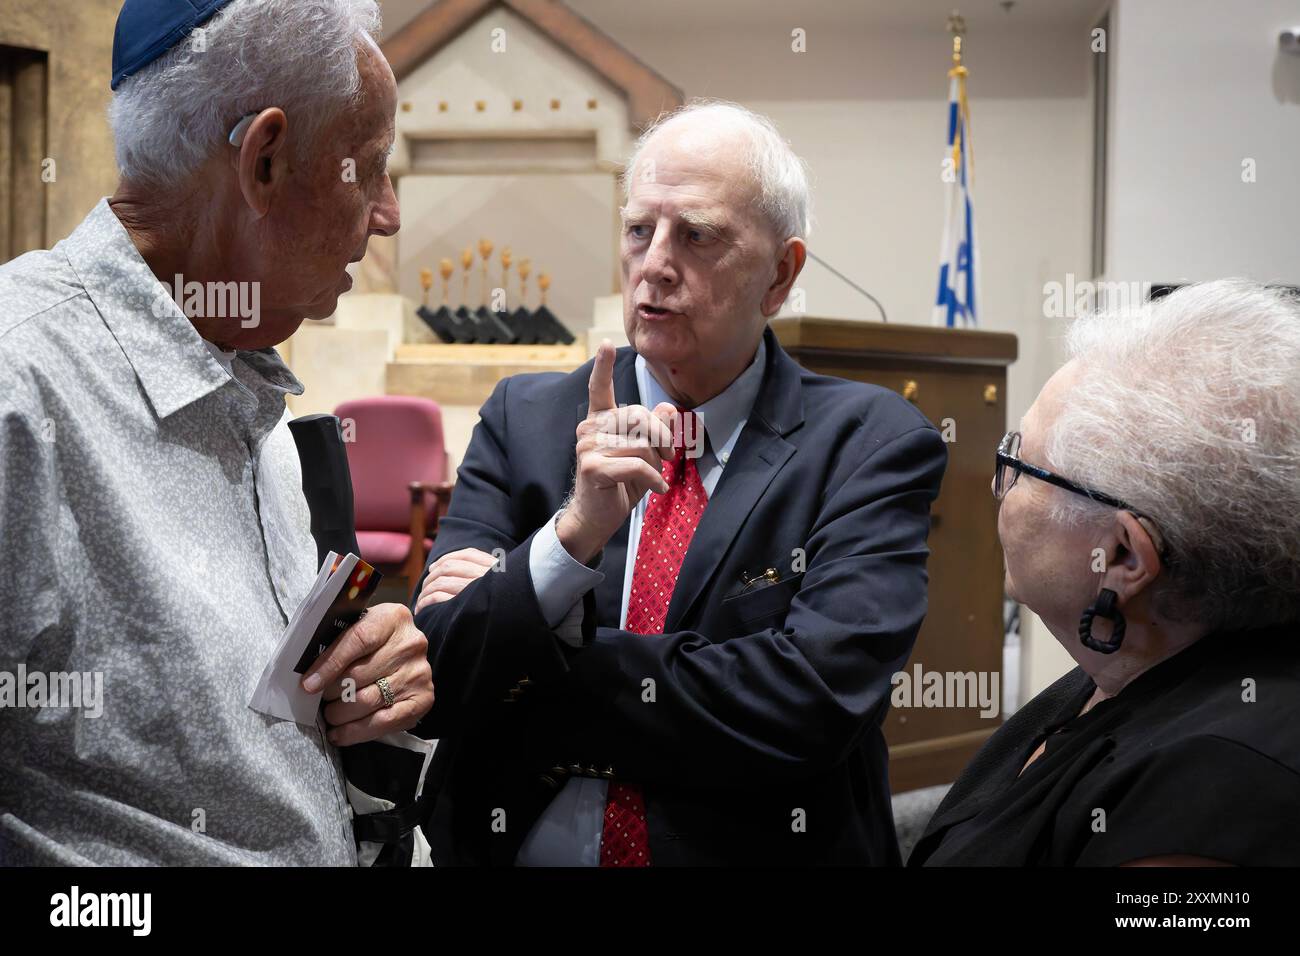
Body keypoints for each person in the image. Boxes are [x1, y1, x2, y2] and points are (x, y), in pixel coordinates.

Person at [411, 101, 948, 866]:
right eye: (639, 230)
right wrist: (568, 543)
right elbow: (436, 671)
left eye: (696, 235)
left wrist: (538, 635)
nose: (655, 264)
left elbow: (807, 707)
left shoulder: (868, 444)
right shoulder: (525, 418)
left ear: (781, 275)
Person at [0, 0, 432, 865]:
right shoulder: (20, 385)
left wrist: (366, 678)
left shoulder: (240, 363)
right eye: (370, 168)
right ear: (263, 160)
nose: (386, 215)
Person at [910, 279, 1300, 867]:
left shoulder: (1213, 796)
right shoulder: (1123, 663)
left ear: (1122, 558)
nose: (997, 489)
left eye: (1017, 463)